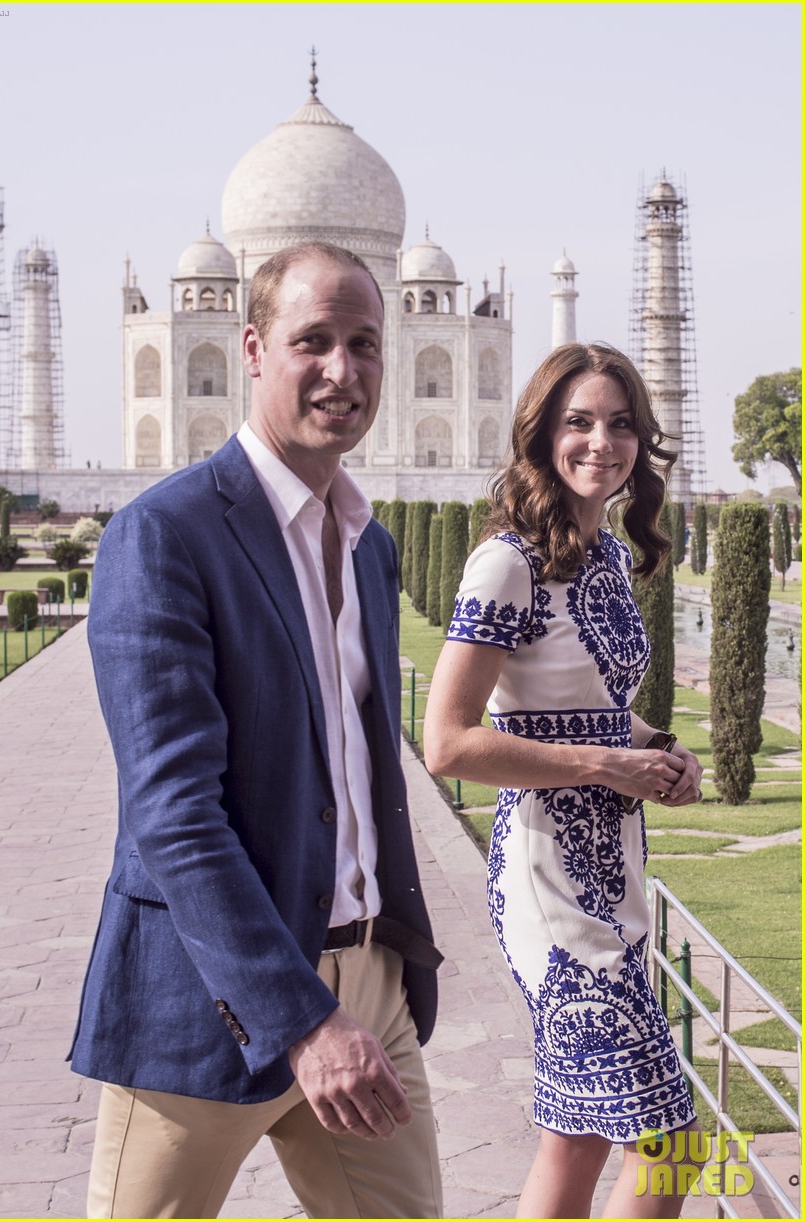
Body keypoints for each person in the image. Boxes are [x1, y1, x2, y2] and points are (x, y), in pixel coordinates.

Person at [69, 241, 443, 1219]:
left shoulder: (368, 546)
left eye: (364, 343)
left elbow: (366, 776)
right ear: (250, 347)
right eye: (312, 340)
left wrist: (387, 968)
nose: (341, 368)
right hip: (212, 993)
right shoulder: (167, 533)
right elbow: (173, 813)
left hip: (364, 977)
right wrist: (298, 1020)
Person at [424, 342, 704, 1219]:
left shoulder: (609, 559)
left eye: (621, 424)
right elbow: (448, 743)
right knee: (674, 1142)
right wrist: (605, 765)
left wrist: (658, 744)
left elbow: (593, 707)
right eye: (578, 421)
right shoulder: (508, 562)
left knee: (576, 1137)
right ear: (541, 433)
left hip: (614, 871)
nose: (602, 442)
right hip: (550, 881)